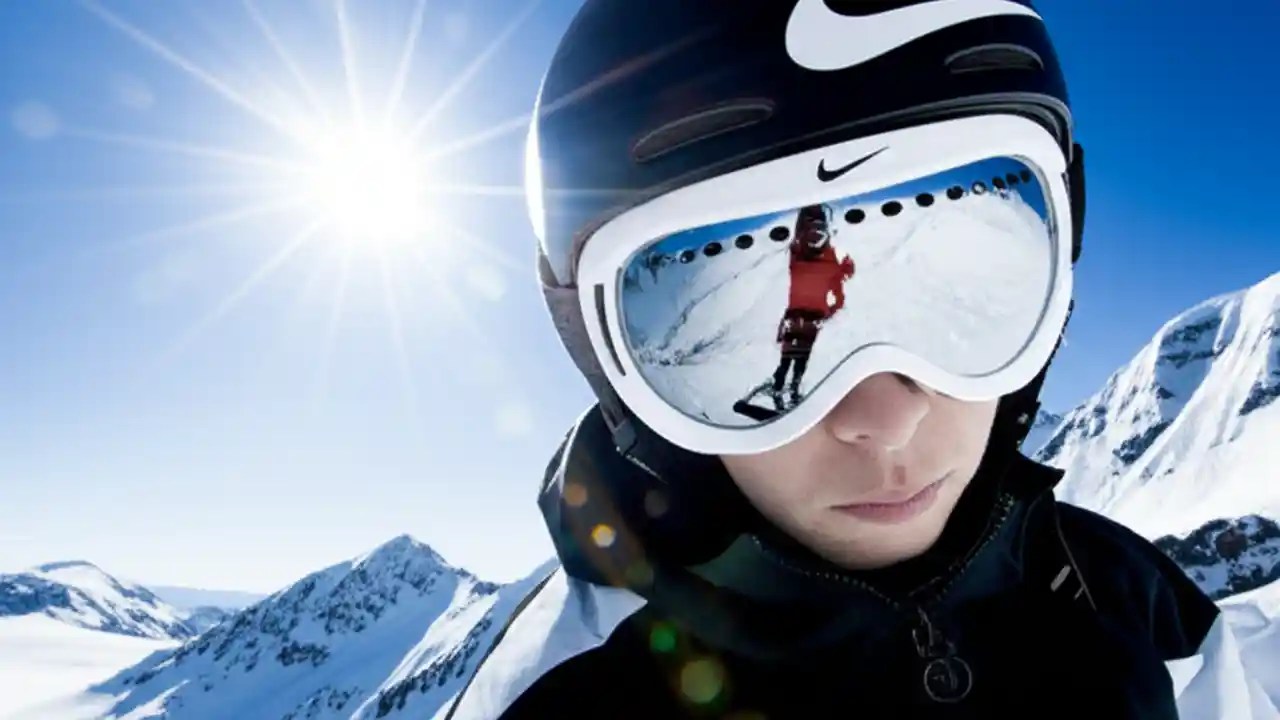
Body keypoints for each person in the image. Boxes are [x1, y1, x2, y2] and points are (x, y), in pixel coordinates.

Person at [445, 1, 1275, 718]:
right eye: (733, 342)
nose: (886, 417)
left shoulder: (1144, 616)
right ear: (611, 364)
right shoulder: (562, 703)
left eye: (958, 291)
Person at [771, 203, 855, 405]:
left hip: (798, 313)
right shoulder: (830, 265)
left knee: (791, 355)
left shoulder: (799, 255)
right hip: (812, 315)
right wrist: (830, 312)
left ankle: (781, 383)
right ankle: (790, 386)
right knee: (801, 356)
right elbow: (841, 292)